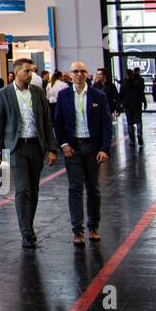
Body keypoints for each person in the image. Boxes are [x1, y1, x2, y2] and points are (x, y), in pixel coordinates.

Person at [0, 58, 59, 248]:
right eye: (27, 71)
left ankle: (28, 226)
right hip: (17, 148)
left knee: (34, 190)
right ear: (16, 73)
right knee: (22, 189)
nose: (30, 74)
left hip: (36, 147)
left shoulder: (39, 93)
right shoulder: (4, 94)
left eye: (32, 71)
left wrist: (52, 149)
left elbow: (47, 122)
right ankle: (26, 233)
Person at [52, 62, 112, 246]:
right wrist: (63, 144)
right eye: (75, 71)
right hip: (73, 149)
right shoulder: (63, 96)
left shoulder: (98, 96)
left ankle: (93, 227)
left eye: (82, 71)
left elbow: (106, 124)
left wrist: (104, 148)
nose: (79, 74)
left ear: (88, 74)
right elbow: (58, 123)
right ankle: (77, 231)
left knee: (93, 188)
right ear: (69, 75)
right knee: (75, 189)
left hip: (92, 148)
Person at [122, 68, 147, 146]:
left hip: (127, 105)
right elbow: (141, 93)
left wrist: (118, 107)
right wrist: (144, 102)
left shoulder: (124, 84)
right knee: (139, 120)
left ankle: (132, 141)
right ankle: (139, 133)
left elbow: (120, 95)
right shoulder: (137, 83)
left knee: (129, 123)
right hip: (137, 103)